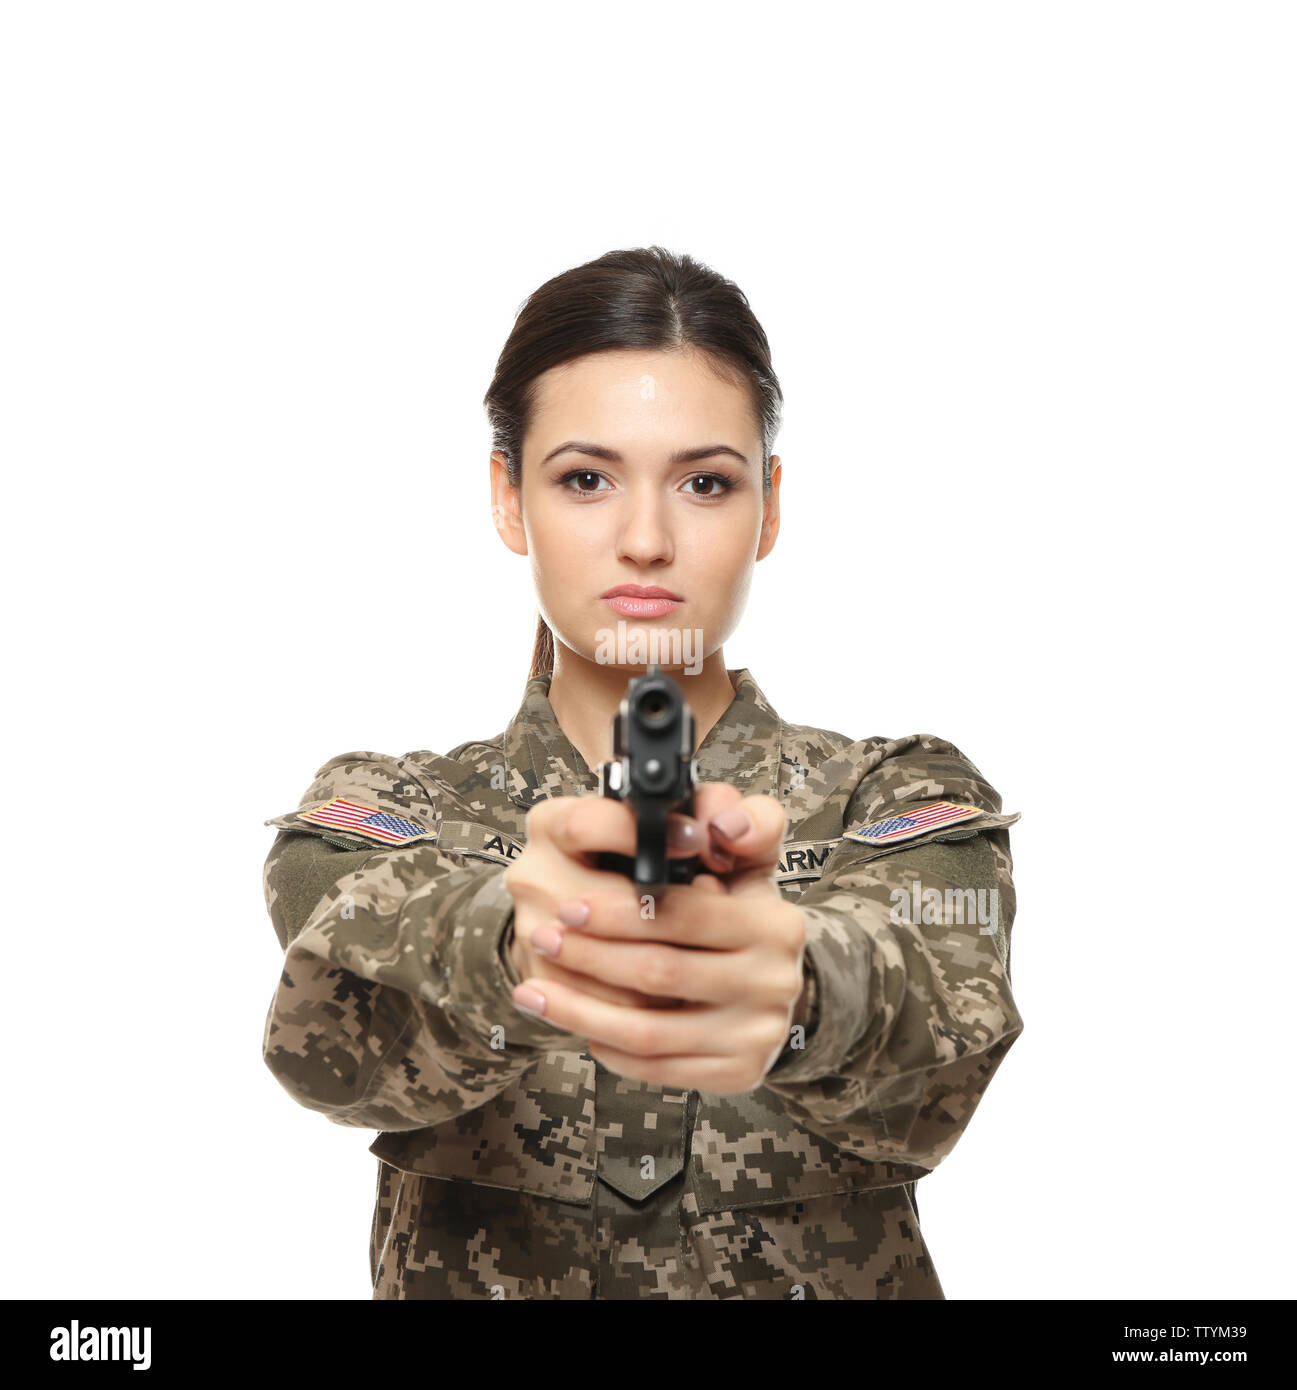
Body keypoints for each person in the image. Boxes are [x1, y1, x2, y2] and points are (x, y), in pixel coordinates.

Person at [260, 245, 1024, 1299]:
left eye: (705, 482)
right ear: (506, 498)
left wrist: (801, 983)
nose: (646, 539)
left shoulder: (892, 800)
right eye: (585, 479)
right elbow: (334, 1037)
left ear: (769, 506)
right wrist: (513, 936)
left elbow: (949, 1024)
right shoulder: (394, 809)